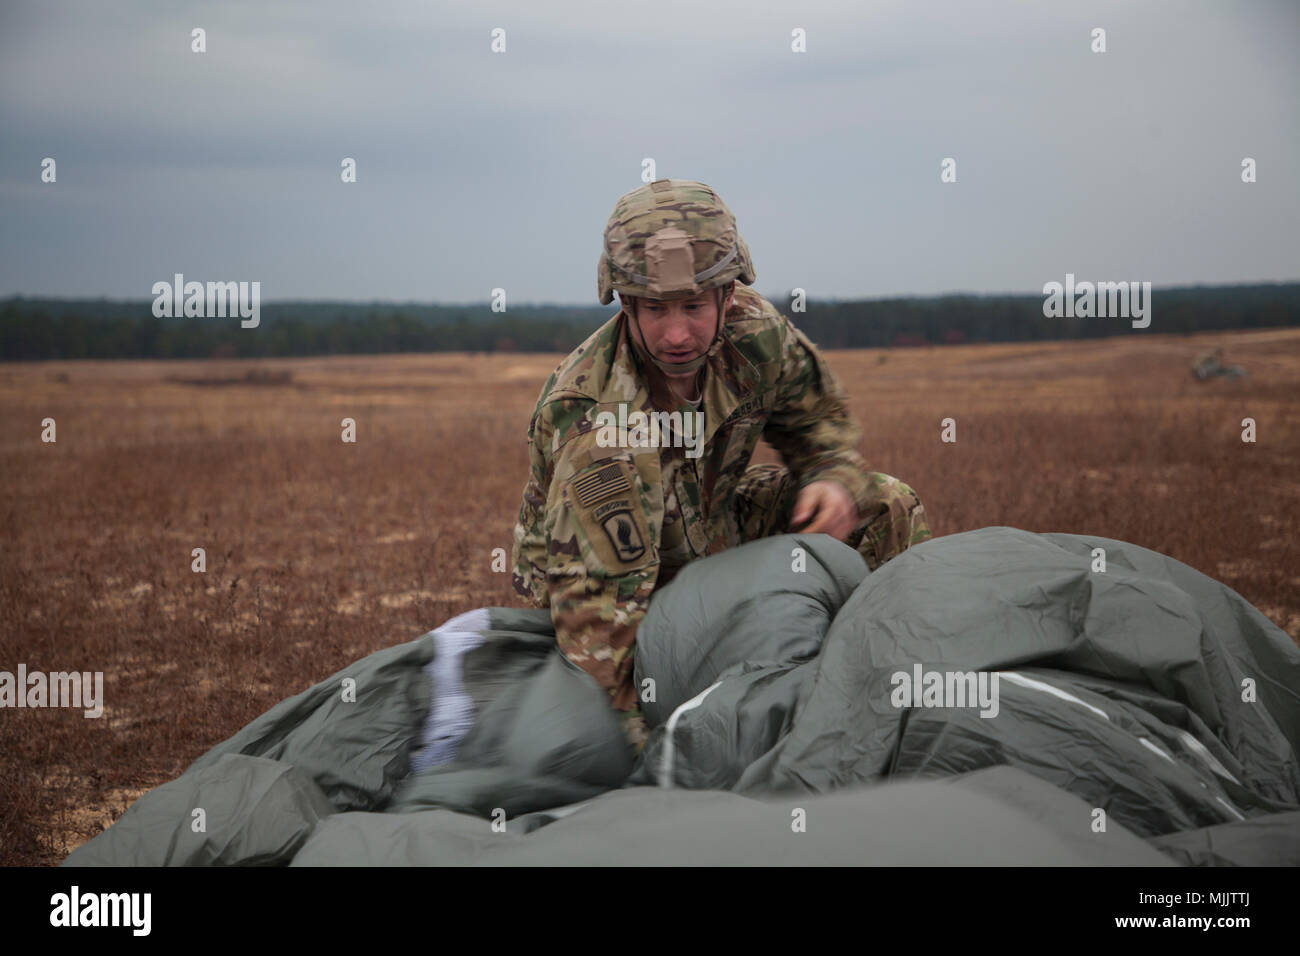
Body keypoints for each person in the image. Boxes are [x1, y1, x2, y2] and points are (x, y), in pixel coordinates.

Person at [510, 178, 931, 751]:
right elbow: (598, 625)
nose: (677, 332)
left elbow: (817, 422)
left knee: (885, 503)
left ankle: (890, 690)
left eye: (693, 306)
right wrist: (651, 762)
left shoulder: (755, 335)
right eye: (655, 309)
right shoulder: (597, 421)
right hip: (620, 590)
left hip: (713, 529)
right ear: (626, 303)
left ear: (727, 295)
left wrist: (830, 479)